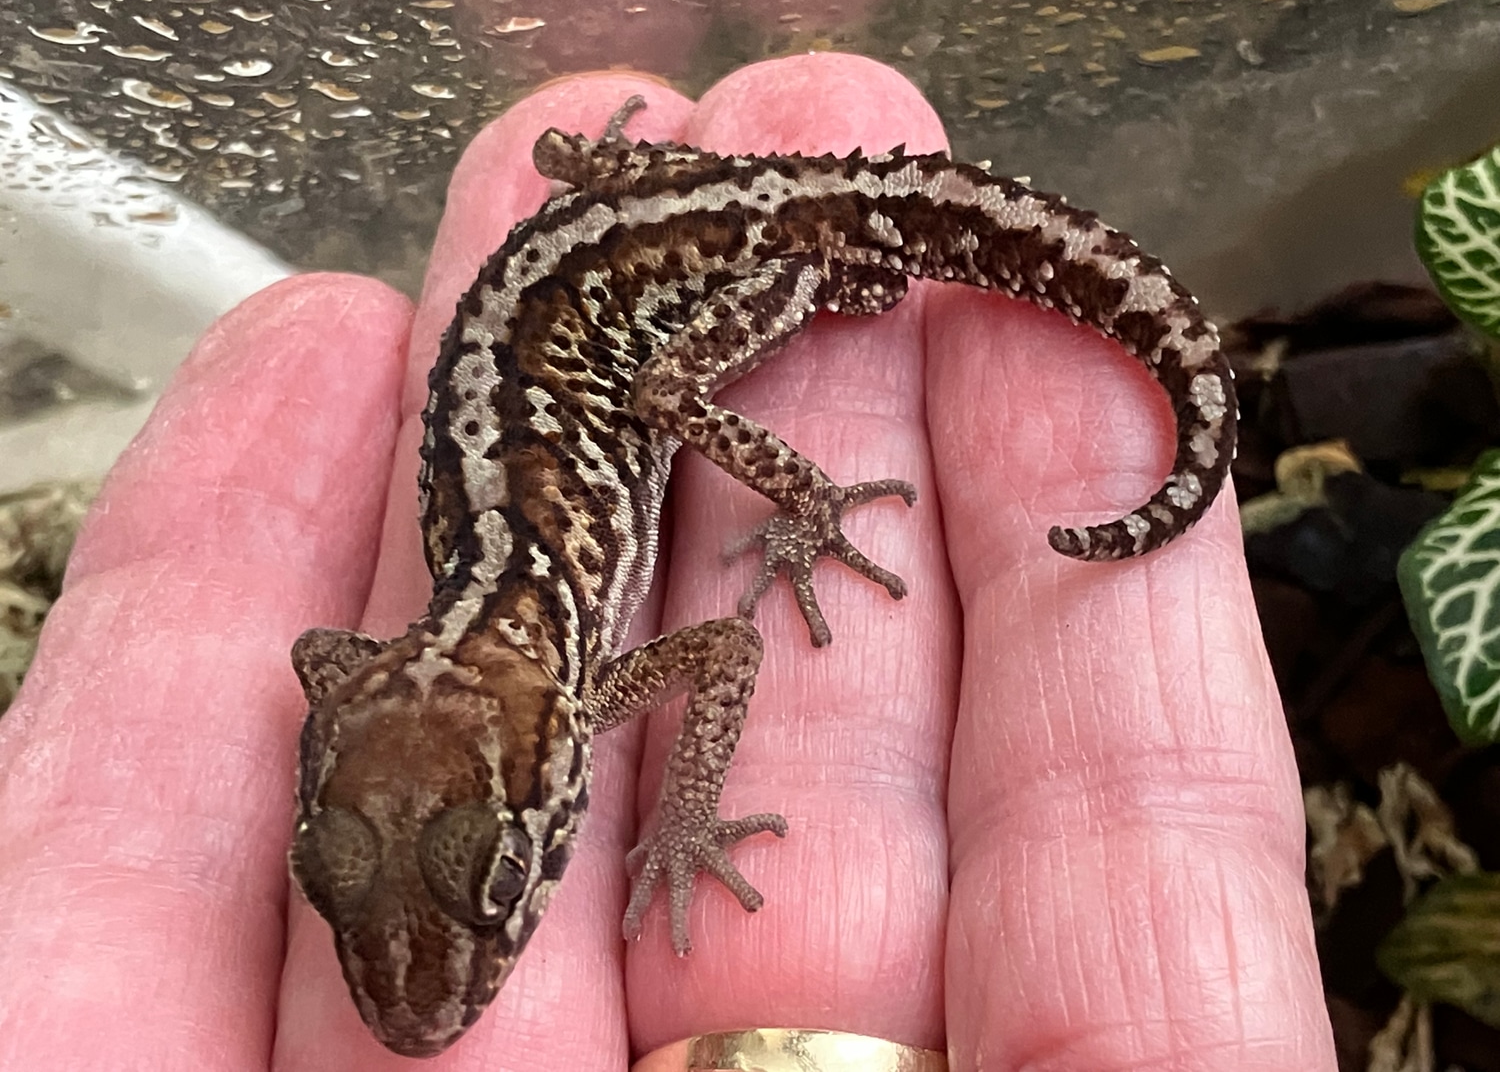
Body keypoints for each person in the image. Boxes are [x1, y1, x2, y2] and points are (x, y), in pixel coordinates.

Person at [0, 54, 1335, 1070]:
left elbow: (721, 644)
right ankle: (811, 261)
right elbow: (322, 657)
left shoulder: (569, 685)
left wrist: (690, 791)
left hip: (718, 257)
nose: (421, 991)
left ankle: (819, 357)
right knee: (701, 340)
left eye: (498, 881)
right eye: (342, 880)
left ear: (560, 768)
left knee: (659, 395)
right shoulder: (465, 681)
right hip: (638, 252)